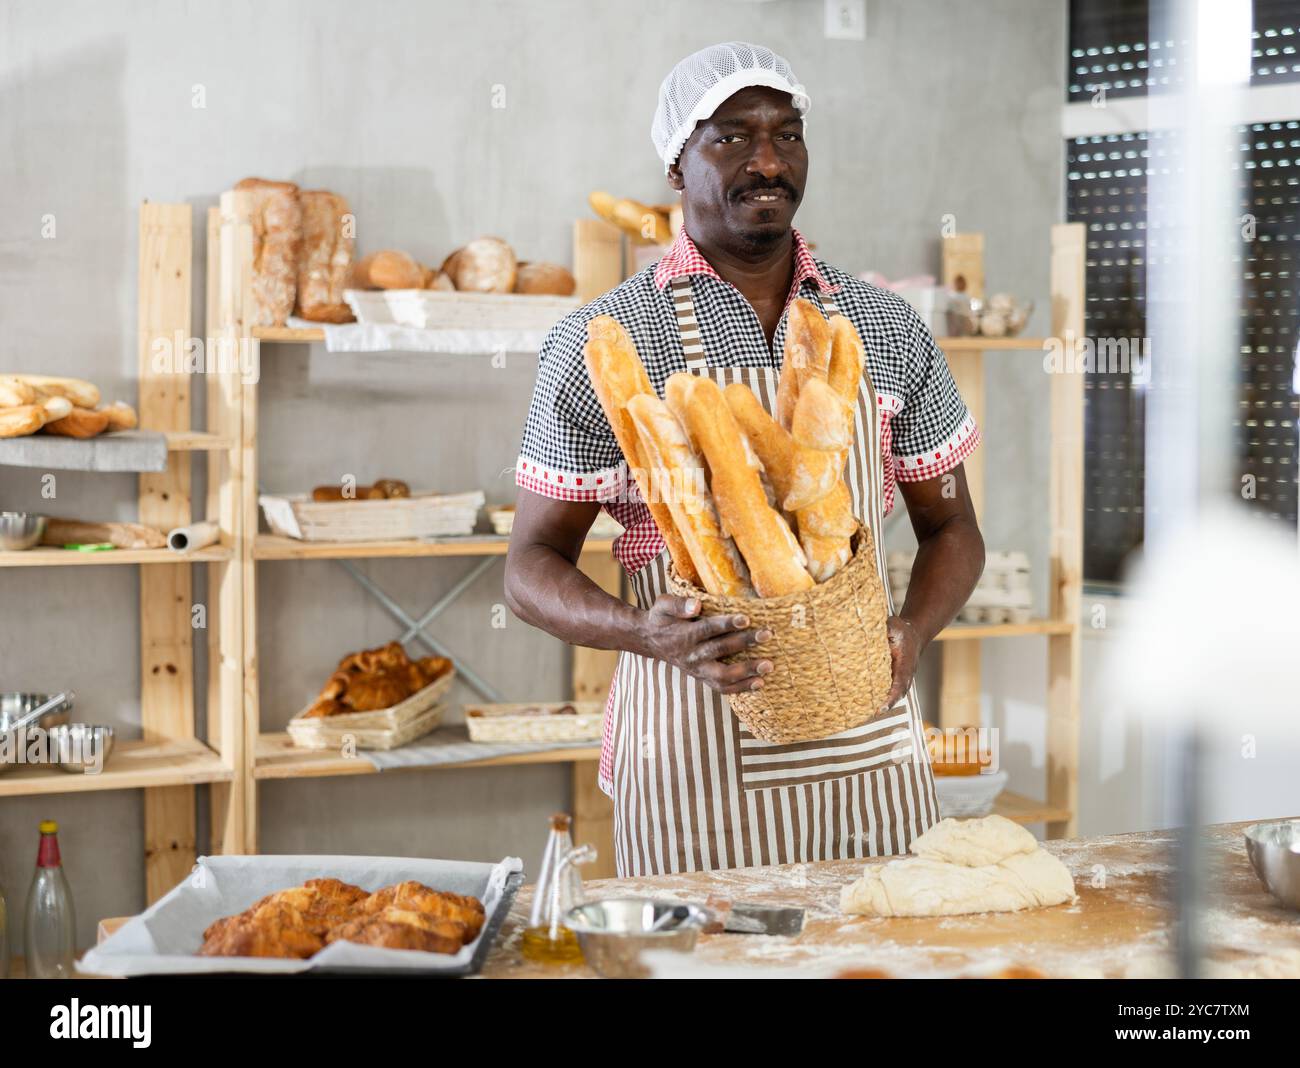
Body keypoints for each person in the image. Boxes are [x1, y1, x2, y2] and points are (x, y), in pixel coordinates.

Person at [505, 42, 984, 876]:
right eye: (730, 138)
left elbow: (951, 526)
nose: (768, 161)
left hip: (868, 750)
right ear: (674, 165)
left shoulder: (884, 326)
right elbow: (528, 566)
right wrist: (641, 634)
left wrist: (916, 627)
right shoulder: (606, 341)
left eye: (787, 135)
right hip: (691, 755)